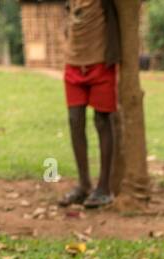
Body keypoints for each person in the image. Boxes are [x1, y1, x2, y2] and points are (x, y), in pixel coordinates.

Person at [57, 0, 121, 210]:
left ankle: (104, 187)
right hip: (74, 64)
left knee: (102, 121)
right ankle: (84, 184)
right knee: (75, 120)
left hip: (101, 62)